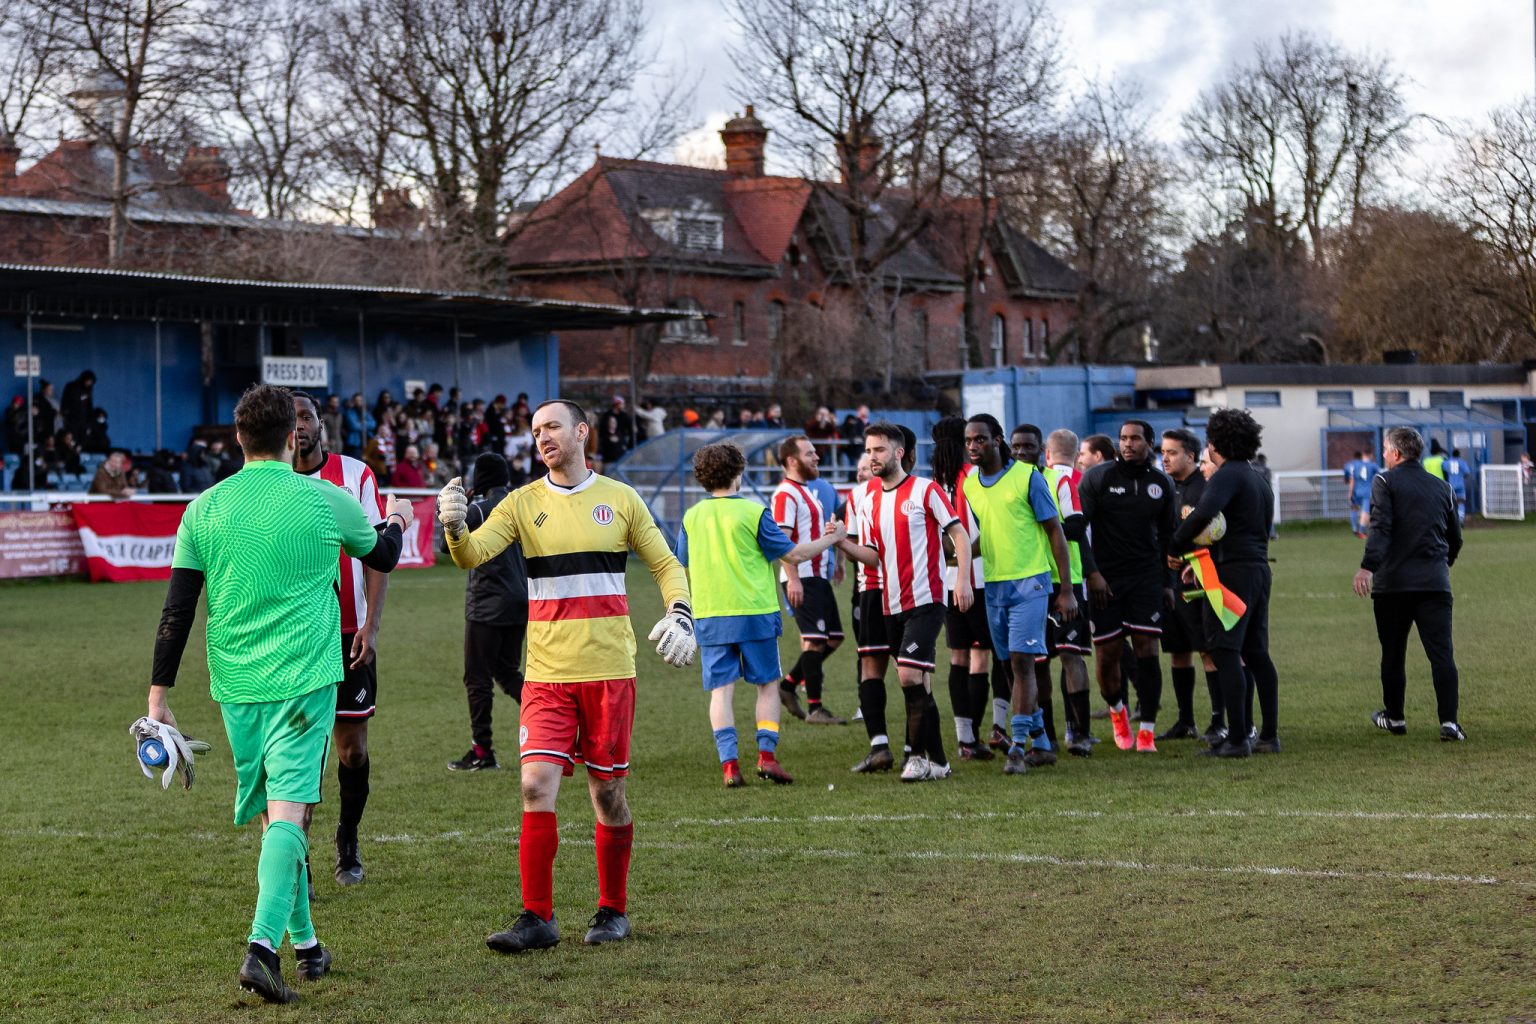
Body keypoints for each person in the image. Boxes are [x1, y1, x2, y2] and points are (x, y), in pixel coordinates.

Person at [145, 383, 412, 1003]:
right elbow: (387, 554)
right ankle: (262, 949)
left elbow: (177, 610)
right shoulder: (327, 499)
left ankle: (308, 945)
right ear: (294, 437)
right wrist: (395, 515)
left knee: (272, 816)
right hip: (304, 681)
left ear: (238, 439)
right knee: (290, 813)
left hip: (236, 685)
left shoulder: (203, 509)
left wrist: (158, 696)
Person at [438, 398, 695, 952]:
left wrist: (680, 611)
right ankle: (537, 918)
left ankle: (613, 910)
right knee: (534, 784)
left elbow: (667, 564)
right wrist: (456, 528)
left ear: (582, 432)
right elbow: (471, 555)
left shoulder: (621, 499)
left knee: (608, 795)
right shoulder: (522, 502)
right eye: (535, 431)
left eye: (552, 426)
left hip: (608, 671)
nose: (542, 437)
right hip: (547, 674)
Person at [681, 442, 846, 786]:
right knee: (768, 686)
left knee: (721, 693)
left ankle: (730, 767)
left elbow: (680, 561)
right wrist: (833, 539)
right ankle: (766, 758)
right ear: (739, 472)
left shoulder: (692, 516)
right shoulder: (753, 512)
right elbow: (795, 555)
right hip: (754, 612)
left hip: (711, 614)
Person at [293, 392, 391, 887]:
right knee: (301, 752)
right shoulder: (267, 484)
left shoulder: (355, 476)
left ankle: (347, 838)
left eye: (306, 416)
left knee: (351, 749)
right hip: (295, 639)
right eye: (289, 420)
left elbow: (377, 554)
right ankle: (298, 857)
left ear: (320, 425)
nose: (298, 427)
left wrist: (371, 626)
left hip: (350, 634)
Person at [837, 422, 971, 782]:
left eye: (879, 450)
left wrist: (961, 580)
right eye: (868, 450)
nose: (872, 457)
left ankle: (914, 759)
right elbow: (873, 556)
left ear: (898, 453)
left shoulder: (925, 490)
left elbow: (958, 533)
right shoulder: (870, 500)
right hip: (890, 603)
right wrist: (841, 543)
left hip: (927, 599)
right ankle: (939, 762)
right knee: (920, 684)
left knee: (909, 675)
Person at [962, 415, 1078, 775]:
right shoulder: (971, 485)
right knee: (1008, 666)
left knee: (1022, 663)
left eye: (979, 439)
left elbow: (1055, 532)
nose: (972, 446)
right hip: (995, 585)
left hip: (1032, 583)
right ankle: (1042, 743)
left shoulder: (1029, 478)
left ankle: (1017, 746)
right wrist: (959, 554)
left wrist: (1067, 589)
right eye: (968, 441)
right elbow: (992, 532)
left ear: (997, 440)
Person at [1169, 409, 1280, 758]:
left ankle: (1236, 739)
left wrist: (1176, 546)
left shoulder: (1228, 474)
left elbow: (1203, 514)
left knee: (1225, 650)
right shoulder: (1257, 477)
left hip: (1234, 574)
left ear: (1216, 443)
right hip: (1258, 569)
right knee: (1256, 652)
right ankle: (1268, 736)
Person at [1353, 426, 1465, 742]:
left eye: (1387, 450)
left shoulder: (1384, 481)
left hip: (1393, 586)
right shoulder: (1443, 488)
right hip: (1434, 584)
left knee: (1393, 653)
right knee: (1442, 654)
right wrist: (1443, 565)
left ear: (1397, 454)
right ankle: (1450, 723)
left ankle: (1396, 718)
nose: (1384, 455)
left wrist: (1367, 567)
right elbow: (1454, 537)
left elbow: (1381, 526)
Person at [1078, 420, 1177, 752]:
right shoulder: (1098, 477)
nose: (1128, 443)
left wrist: (1167, 584)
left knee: (1148, 649)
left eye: (1135, 438)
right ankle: (1117, 710)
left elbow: (1167, 538)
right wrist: (1092, 574)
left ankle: (1147, 729)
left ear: (1150, 443)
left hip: (1146, 577)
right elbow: (1078, 531)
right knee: (1108, 655)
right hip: (1105, 580)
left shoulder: (1161, 483)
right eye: (1123, 438)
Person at [447, 452, 528, 772]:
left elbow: (447, 544)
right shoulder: (520, 506)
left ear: (480, 478)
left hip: (487, 602)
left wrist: (461, 507)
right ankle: (560, 727)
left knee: (477, 677)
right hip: (520, 599)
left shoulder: (480, 509)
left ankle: (483, 752)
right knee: (508, 673)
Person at [931, 416, 994, 761]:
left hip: (947, 579)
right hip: (980, 577)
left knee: (957, 656)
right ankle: (980, 734)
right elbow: (983, 531)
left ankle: (963, 739)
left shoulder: (933, 483)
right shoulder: (973, 478)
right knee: (981, 656)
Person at [772, 435, 848, 724]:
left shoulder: (806, 492)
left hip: (817, 575)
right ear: (792, 461)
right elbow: (783, 540)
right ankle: (816, 709)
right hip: (802, 575)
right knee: (815, 641)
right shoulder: (786, 494)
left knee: (834, 639)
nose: (817, 457)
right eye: (810, 453)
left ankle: (789, 685)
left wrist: (837, 560)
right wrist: (793, 579)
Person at [1157, 429, 1221, 743]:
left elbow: (1217, 534)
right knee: (1178, 651)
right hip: (1170, 585)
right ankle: (1186, 721)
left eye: (1171, 452)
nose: (1164, 458)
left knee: (1208, 650)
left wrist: (1193, 561)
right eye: (1163, 452)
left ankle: (1219, 720)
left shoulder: (1205, 488)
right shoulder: (1165, 488)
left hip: (1199, 580)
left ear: (1191, 456)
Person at [1042, 429, 1098, 756]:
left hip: (1039, 579)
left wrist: (1038, 530)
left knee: (1039, 660)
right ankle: (1078, 733)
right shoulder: (1074, 480)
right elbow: (1079, 529)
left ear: (1047, 454)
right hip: (1070, 580)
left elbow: (1073, 527)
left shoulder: (1043, 479)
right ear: (1076, 455)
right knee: (1069, 654)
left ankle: (1049, 734)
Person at [1343, 449, 1380, 539]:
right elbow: (1379, 477)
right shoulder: (1373, 465)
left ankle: (1355, 529)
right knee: (1365, 511)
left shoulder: (1355, 465)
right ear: (1370, 455)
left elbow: (1351, 479)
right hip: (1367, 491)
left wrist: (1350, 492)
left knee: (1354, 509)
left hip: (1356, 491)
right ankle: (1362, 531)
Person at [598, 395, 633, 468]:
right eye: (621, 404)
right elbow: (602, 430)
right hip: (608, 444)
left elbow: (630, 429)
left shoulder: (624, 415)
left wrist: (629, 445)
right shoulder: (607, 415)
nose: (623, 406)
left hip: (621, 442)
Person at [61, 369, 96, 440]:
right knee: (72, 438)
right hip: (72, 419)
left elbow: (89, 406)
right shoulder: (71, 386)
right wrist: (65, 414)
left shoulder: (88, 390)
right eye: (88, 381)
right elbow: (65, 401)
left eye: (91, 382)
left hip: (84, 420)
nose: (89, 383)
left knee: (82, 440)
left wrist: (89, 421)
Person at [343, 393, 373, 459]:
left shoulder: (365, 412)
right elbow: (354, 426)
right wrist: (366, 424)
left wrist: (363, 423)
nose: (358, 402)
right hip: (355, 443)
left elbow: (373, 424)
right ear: (353, 401)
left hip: (367, 441)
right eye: (356, 400)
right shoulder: (349, 412)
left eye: (360, 400)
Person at [1443, 448, 1469, 524]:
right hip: (1460, 485)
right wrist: (1461, 477)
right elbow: (1467, 473)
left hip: (1451, 486)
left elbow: (1444, 469)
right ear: (1459, 454)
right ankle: (1461, 520)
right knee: (1461, 502)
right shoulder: (1462, 462)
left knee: (1451, 503)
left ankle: (1452, 521)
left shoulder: (1447, 462)